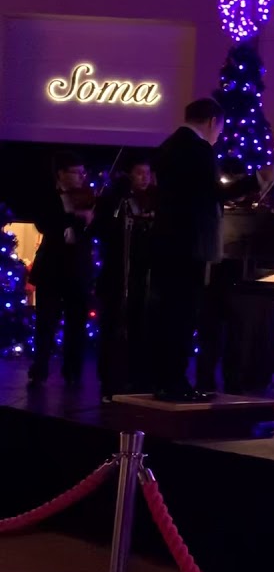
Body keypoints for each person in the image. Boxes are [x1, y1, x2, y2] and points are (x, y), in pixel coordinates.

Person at [145, 98, 272, 402]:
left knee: (167, 314)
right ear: (213, 121)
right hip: (189, 242)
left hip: (165, 241)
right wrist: (256, 179)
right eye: (220, 127)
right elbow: (210, 193)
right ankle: (176, 383)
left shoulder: (168, 145)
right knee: (183, 314)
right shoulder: (198, 149)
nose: (219, 134)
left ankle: (164, 380)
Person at [27, 151, 95, 386]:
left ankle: (73, 371)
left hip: (79, 269)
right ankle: (39, 370)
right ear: (61, 174)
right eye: (76, 173)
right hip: (52, 269)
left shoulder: (88, 197)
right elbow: (45, 223)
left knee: (77, 324)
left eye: (82, 173)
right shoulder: (47, 196)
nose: (81, 178)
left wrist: (89, 219)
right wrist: (75, 219)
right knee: (45, 323)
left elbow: (94, 230)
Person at [91, 158, 156, 398]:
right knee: (113, 328)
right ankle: (111, 379)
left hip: (144, 276)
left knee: (142, 327)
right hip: (117, 275)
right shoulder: (116, 200)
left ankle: (138, 378)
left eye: (148, 173)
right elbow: (101, 230)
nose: (145, 177)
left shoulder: (154, 200)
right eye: (140, 172)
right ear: (129, 175)